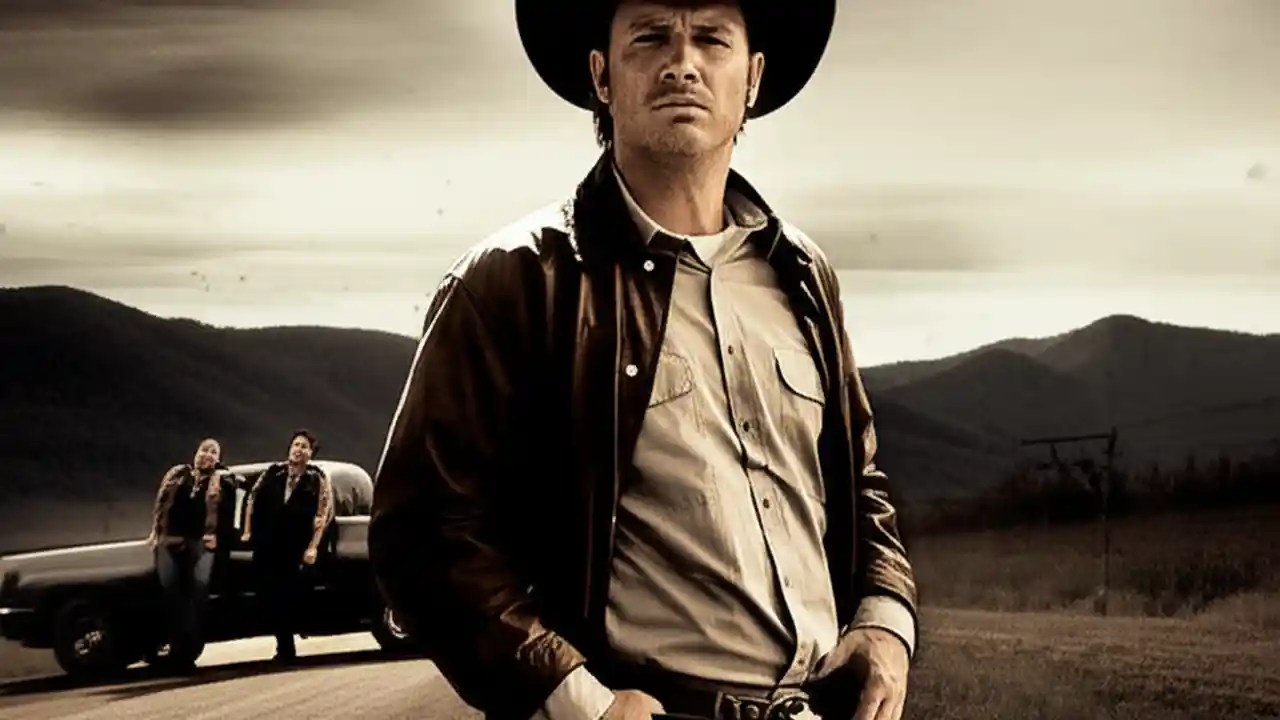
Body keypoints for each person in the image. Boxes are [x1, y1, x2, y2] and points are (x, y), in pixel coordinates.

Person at [370, 1, 919, 719]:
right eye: (651, 37)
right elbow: (426, 527)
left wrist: (885, 615)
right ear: (602, 74)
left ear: (752, 77)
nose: (682, 63)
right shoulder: (513, 282)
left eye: (711, 39)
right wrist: (575, 700)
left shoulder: (804, 275)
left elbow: (860, 478)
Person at [240, 429, 334, 662]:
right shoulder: (273, 472)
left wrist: (313, 547)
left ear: (310, 453)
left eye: (304, 446)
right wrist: (247, 531)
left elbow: (322, 514)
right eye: (295, 445)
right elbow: (252, 499)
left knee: (290, 594)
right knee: (269, 595)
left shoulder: (317, 478)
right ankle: (284, 645)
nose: (298, 449)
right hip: (268, 545)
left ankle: (288, 643)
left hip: (296, 546)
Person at [148, 437, 237, 671]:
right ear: (195, 453)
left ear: (218, 460)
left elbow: (228, 516)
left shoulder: (223, 481)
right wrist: (156, 533)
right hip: (169, 542)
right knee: (171, 593)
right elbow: (161, 504)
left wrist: (220, 537)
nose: (207, 455)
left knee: (197, 594)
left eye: (213, 452)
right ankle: (175, 649)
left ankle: (187, 652)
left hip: (201, 544)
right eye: (203, 450)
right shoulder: (178, 475)